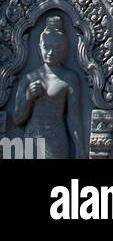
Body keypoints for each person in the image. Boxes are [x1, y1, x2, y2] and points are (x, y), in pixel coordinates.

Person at [11, 14, 83, 158]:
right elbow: (17, 119)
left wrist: (80, 148)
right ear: (39, 48)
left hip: (57, 141)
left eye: (56, 47)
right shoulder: (29, 78)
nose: (50, 53)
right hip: (33, 138)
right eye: (46, 47)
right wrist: (27, 98)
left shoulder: (69, 78)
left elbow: (73, 118)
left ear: (64, 49)